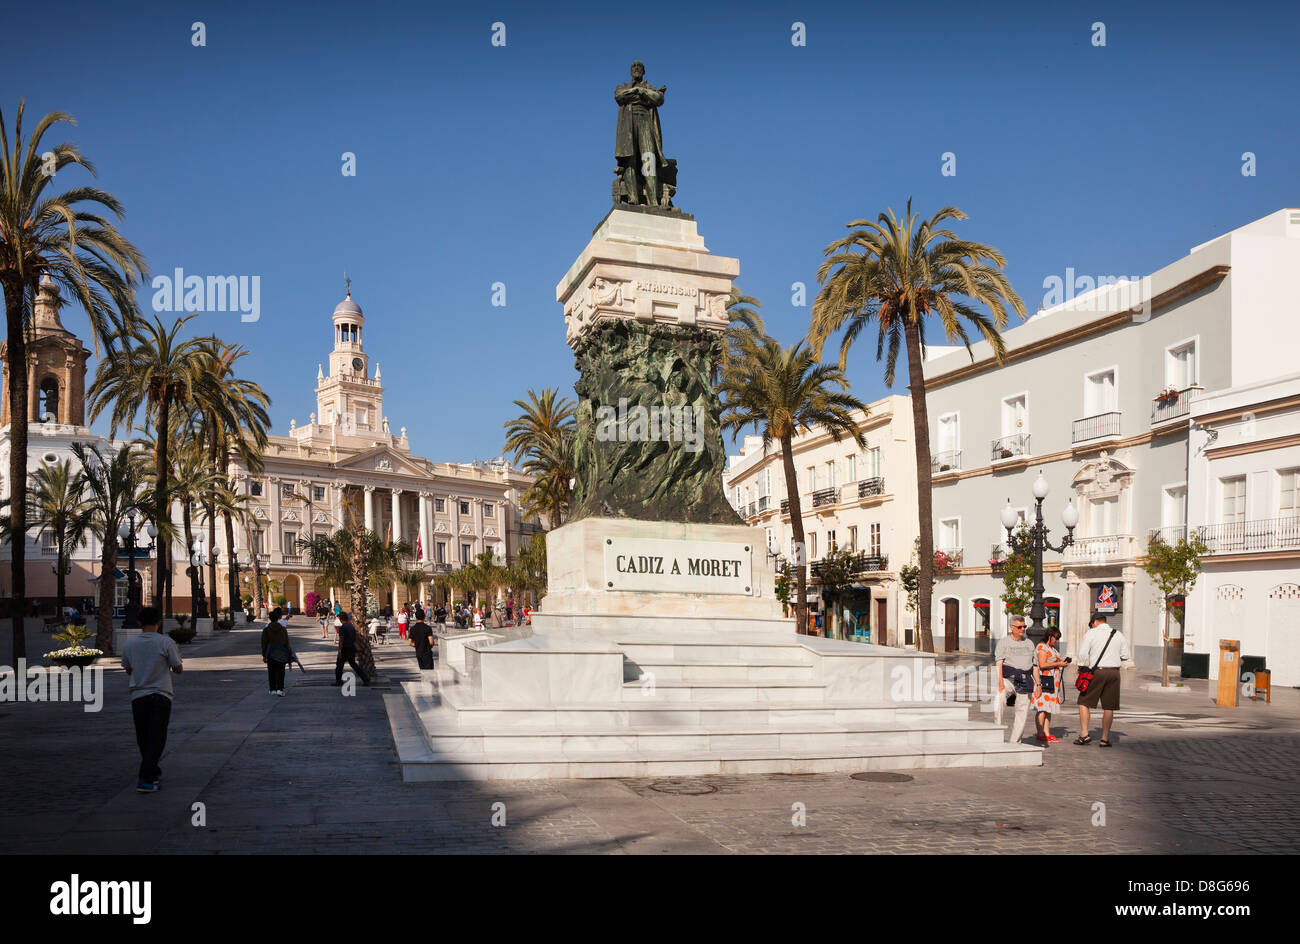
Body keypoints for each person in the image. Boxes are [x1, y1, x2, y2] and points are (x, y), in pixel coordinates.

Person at [120, 606, 183, 793]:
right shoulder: (166, 642)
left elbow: (128, 669)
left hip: (138, 695)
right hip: (161, 695)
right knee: (157, 737)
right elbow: (178, 669)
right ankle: (146, 778)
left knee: (143, 736)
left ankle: (153, 771)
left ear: (139, 623)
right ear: (159, 622)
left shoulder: (129, 644)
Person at [1076, 612, 1129, 747]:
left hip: (1098, 672)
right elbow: (1125, 655)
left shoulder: (1091, 633)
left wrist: (1081, 666)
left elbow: (1082, 653)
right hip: (1114, 673)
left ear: (1095, 622)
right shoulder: (1118, 634)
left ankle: (1084, 734)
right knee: (1109, 706)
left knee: (1083, 701)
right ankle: (1105, 739)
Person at [993, 615, 1039, 744]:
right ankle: (997, 730)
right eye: (1019, 627)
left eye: (1024, 626)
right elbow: (999, 663)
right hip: (1009, 678)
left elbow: (1035, 666)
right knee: (999, 698)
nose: (1022, 629)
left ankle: (1015, 741)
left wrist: (1039, 684)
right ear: (1012, 627)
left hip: (1025, 680)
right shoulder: (1004, 642)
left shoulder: (1029, 643)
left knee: (1022, 711)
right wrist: (1000, 682)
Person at [1032, 626, 1071, 743]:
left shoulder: (1052, 649)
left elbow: (1052, 662)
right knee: (1042, 709)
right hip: (1044, 681)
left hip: (1052, 683)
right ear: (1050, 636)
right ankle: (1040, 733)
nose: (1057, 641)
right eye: (1056, 638)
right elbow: (1042, 664)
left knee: (1048, 709)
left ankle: (1047, 733)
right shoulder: (1042, 647)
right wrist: (1059, 663)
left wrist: (1061, 663)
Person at [261, 606, 293, 696]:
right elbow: (286, 642)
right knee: (281, 671)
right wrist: (289, 653)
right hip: (281, 652)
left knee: (271, 671)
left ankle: (272, 689)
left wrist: (264, 655)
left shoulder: (266, 629)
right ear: (278, 617)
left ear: (270, 618)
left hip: (270, 653)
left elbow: (264, 643)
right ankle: (280, 688)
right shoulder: (283, 629)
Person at [334, 612, 370, 686]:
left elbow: (341, 640)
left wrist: (340, 651)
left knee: (339, 665)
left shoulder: (342, 628)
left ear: (340, 619)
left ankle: (338, 681)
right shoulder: (351, 626)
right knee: (353, 664)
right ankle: (365, 678)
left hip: (345, 648)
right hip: (351, 647)